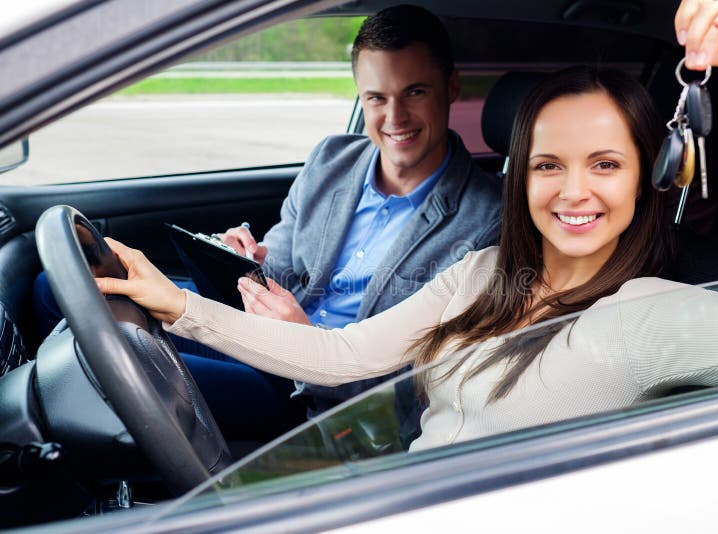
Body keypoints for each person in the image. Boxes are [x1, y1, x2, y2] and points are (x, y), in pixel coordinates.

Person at [96, 0, 718, 451]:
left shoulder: (644, 314)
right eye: (547, 165)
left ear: (646, 177)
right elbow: (343, 353)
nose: (573, 191)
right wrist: (178, 304)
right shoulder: (485, 273)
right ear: (521, 175)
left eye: (606, 164)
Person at [32, 4, 503, 442]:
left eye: (415, 92)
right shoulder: (332, 159)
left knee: (108, 360)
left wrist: (308, 339)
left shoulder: (489, 222)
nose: (394, 117)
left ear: (451, 87)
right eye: (376, 97)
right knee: (61, 286)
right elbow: (281, 261)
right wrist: (246, 259)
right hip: (246, 329)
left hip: (316, 394)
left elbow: (426, 381)